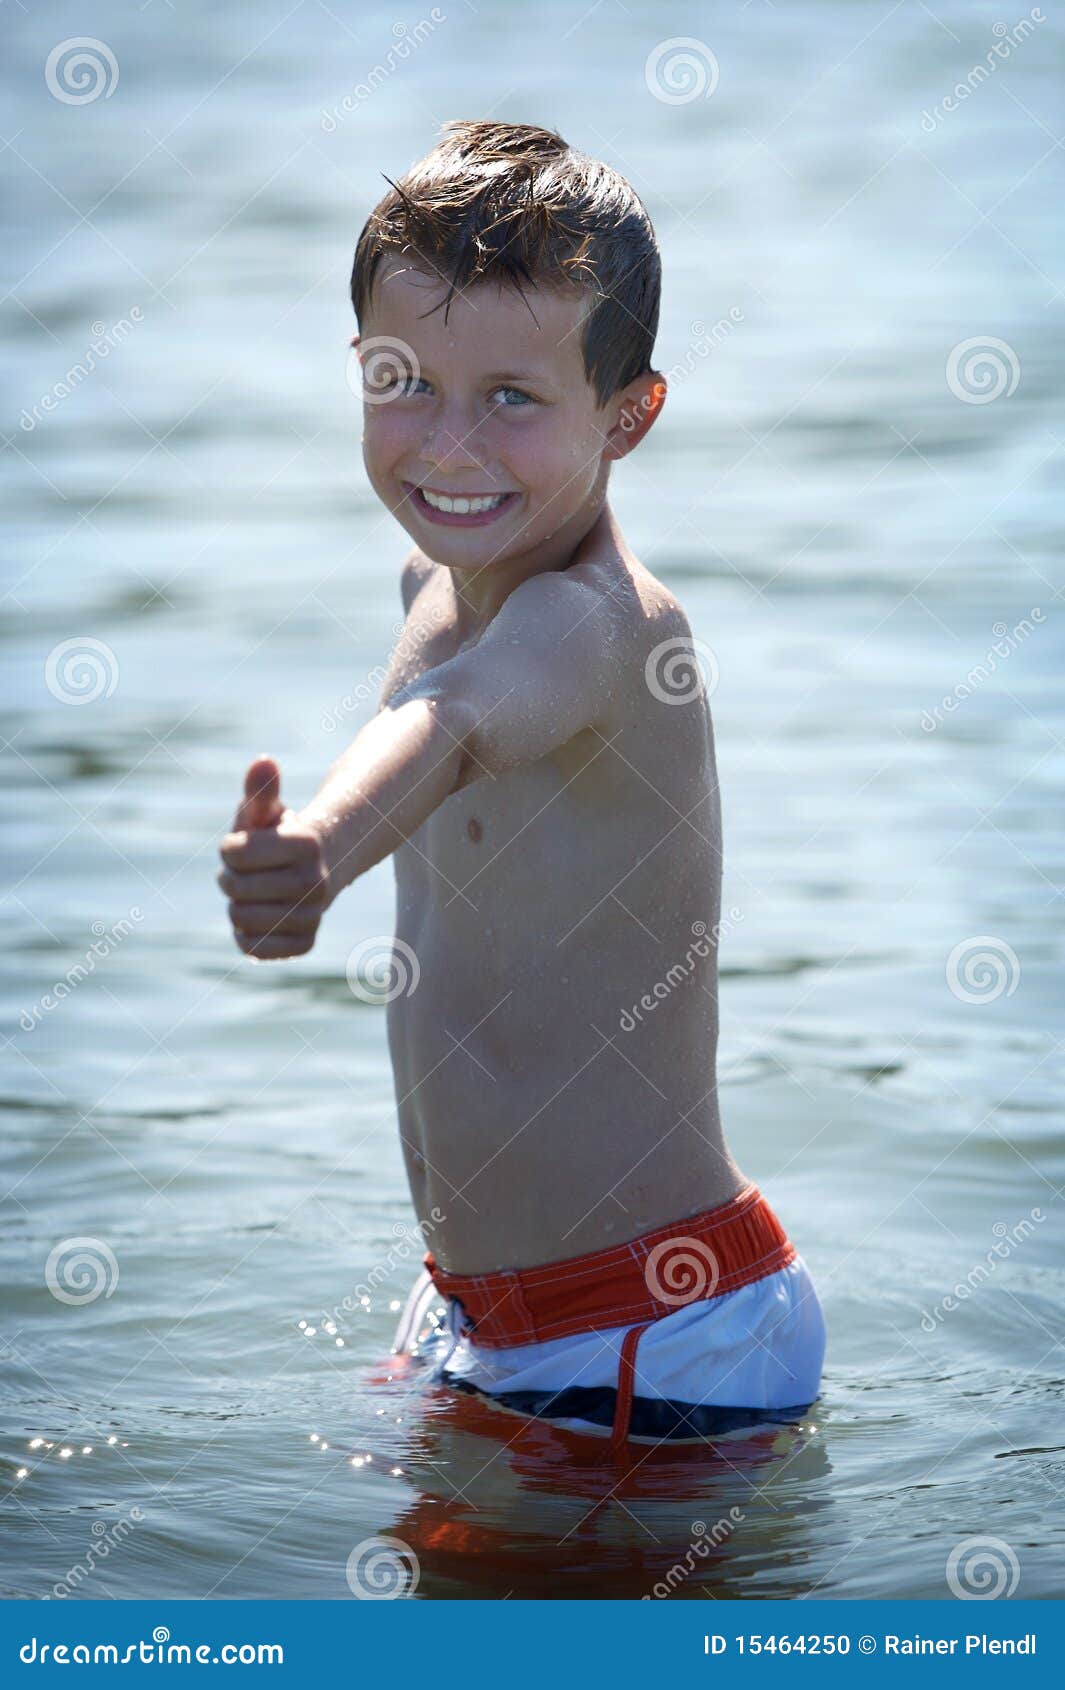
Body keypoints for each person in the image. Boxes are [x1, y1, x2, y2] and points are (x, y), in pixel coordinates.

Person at [217, 120, 825, 1448]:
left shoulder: (605, 625)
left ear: (628, 414)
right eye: (403, 379)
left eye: (510, 397)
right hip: (486, 1309)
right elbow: (436, 686)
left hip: (650, 1325)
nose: (447, 443)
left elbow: (454, 720)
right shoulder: (436, 582)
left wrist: (317, 848)